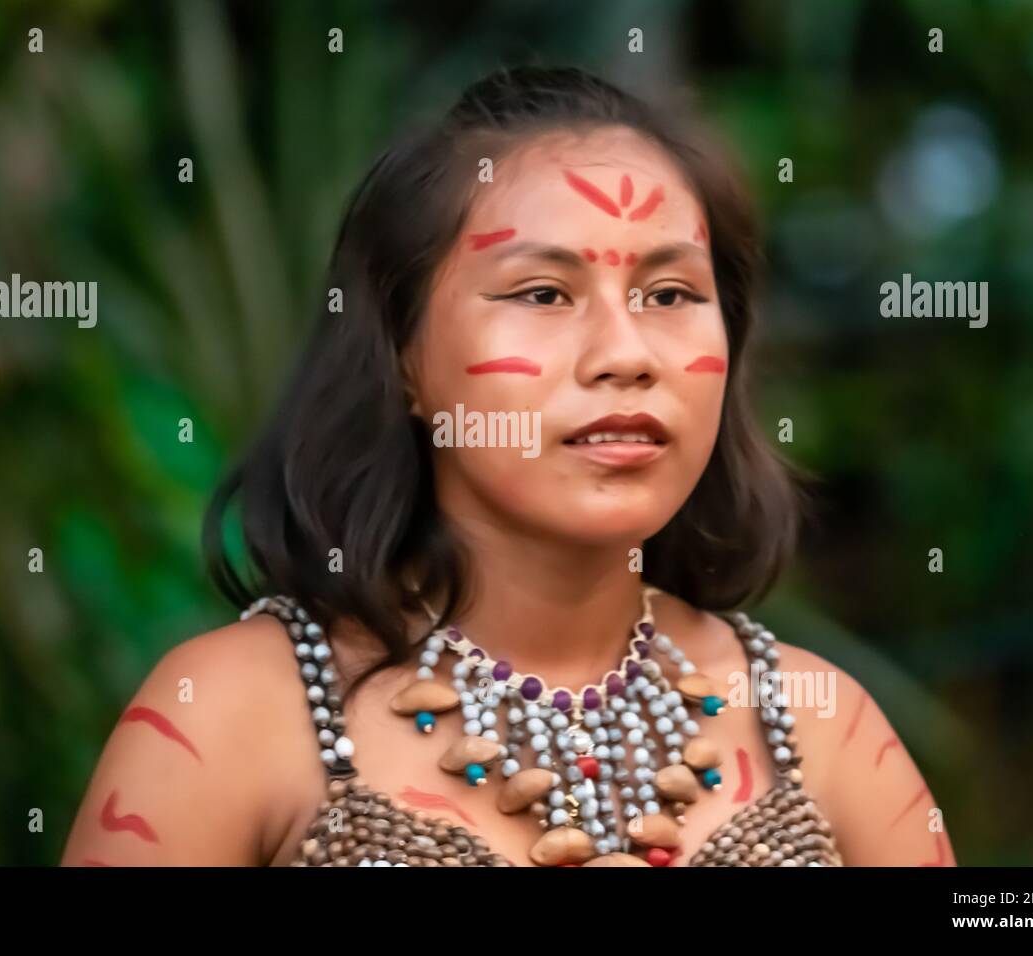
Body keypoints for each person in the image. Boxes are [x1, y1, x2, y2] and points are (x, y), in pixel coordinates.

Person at [61, 65, 954, 868]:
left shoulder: (816, 722)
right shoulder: (229, 719)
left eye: (672, 294)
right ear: (404, 358)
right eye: (542, 294)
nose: (625, 352)